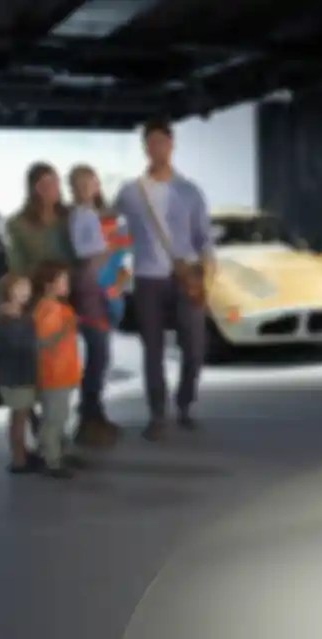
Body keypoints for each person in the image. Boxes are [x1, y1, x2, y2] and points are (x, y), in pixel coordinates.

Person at [113, 117, 215, 441]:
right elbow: (112, 230)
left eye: (163, 141)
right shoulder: (130, 193)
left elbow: (204, 238)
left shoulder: (189, 190)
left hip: (185, 277)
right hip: (147, 279)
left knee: (195, 347)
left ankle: (184, 403)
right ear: (145, 147)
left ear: (171, 145)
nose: (157, 148)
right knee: (152, 351)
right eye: (151, 142)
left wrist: (207, 277)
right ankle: (158, 414)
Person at [67, 164, 126, 447]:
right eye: (82, 183)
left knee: (99, 356)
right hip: (92, 292)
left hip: (98, 289)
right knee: (98, 357)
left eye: (91, 181)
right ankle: (89, 417)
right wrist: (114, 247)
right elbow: (86, 256)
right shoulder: (82, 216)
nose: (89, 187)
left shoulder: (88, 215)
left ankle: (94, 414)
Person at [32, 262, 81, 479]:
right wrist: (66, 329)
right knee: (54, 419)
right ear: (49, 285)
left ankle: (55, 453)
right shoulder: (50, 311)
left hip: (62, 373)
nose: (67, 285)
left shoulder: (55, 309)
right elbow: (44, 343)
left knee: (57, 417)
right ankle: (51, 460)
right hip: (55, 375)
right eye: (62, 280)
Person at [0, 272, 39, 474]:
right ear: (8, 291)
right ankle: (19, 459)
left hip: (21, 372)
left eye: (27, 287)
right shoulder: (7, 317)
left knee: (22, 415)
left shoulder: (18, 314)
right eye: (20, 288)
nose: (25, 292)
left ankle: (22, 454)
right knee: (19, 417)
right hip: (15, 374)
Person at [6, 162, 73, 277]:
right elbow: (17, 266)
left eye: (56, 182)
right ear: (36, 188)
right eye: (49, 184)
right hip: (39, 286)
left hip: (75, 283)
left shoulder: (70, 216)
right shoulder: (18, 223)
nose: (56, 188)